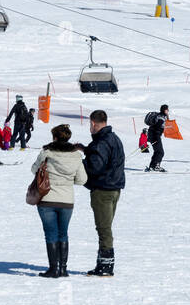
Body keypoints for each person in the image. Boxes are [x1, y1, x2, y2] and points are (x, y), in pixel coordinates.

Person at [31, 123, 87, 278]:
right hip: (67, 201)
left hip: (47, 199)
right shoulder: (76, 155)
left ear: (55, 137)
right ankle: (63, 269)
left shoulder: (47, 152)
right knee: (63, 234)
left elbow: (34, 169)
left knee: (51, 234)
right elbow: (82, 180)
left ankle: (53, 269)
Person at [80, 109, 125, 277]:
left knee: (104, 229)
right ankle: (103, 265)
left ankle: (106, 266)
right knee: (105, 227)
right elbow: (106, 157)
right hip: (114, 189)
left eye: (90, 125)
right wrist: (86, 149)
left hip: (103, 190)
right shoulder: (114, 138)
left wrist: (79, 163)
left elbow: (95, 167)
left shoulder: (101, 142)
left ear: (93, 123)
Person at [144, 105, 169, 172]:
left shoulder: (160, 116)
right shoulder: (161, 117)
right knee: (160, 152)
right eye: (167, 109)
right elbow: (156, 128)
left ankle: (152, 166)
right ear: (164, 110)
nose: (168, 111)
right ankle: (156, 166)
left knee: (157, 151)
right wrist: (156, 137)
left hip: (153, 136)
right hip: (155, 136)